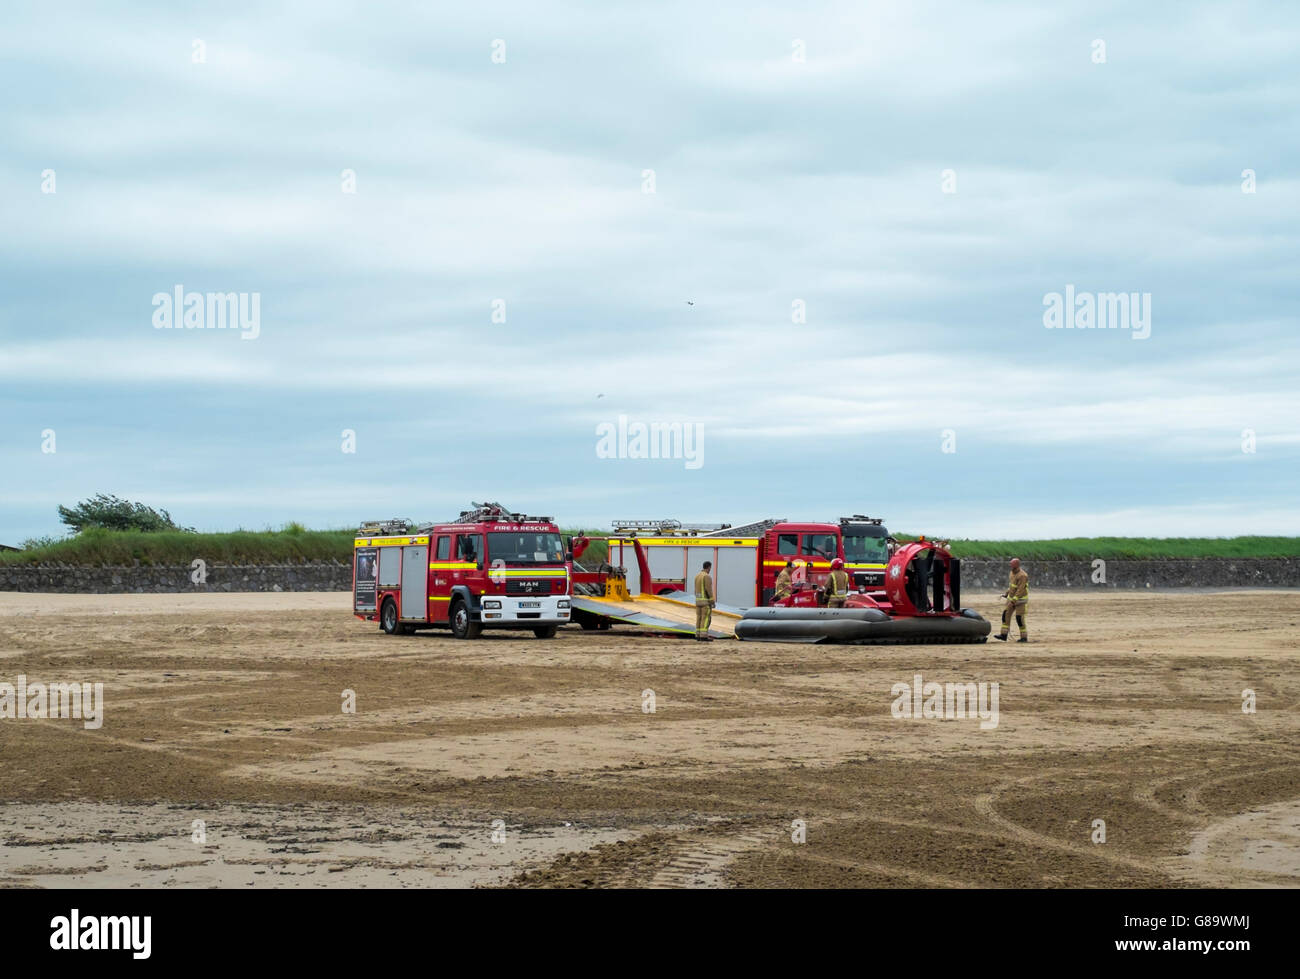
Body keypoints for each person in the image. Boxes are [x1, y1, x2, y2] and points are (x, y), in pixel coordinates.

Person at [994, 557, 1029, 642]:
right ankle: (1003, 635)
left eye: (1012, 565)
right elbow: (1012, 586)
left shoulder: (1023, 576)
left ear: (1017, 565)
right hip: (1011, 600)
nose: (1010, 566)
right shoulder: (1011, 573)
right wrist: (1006, 594)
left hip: (1021, 601)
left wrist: (1014, 601)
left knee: (1019, 618)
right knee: (1005, 615)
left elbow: (1020, 590)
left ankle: (1024, 637)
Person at [694, 560, 715, 641]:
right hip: (705, 602)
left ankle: (698, 635)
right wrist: (712, 601)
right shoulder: (706, 576)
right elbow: (708, 590)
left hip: (698, 601)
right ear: (709, 567)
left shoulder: (697, 576)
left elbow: (695, 590)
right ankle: (703, 636)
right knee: (705, 618)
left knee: (698, 618)